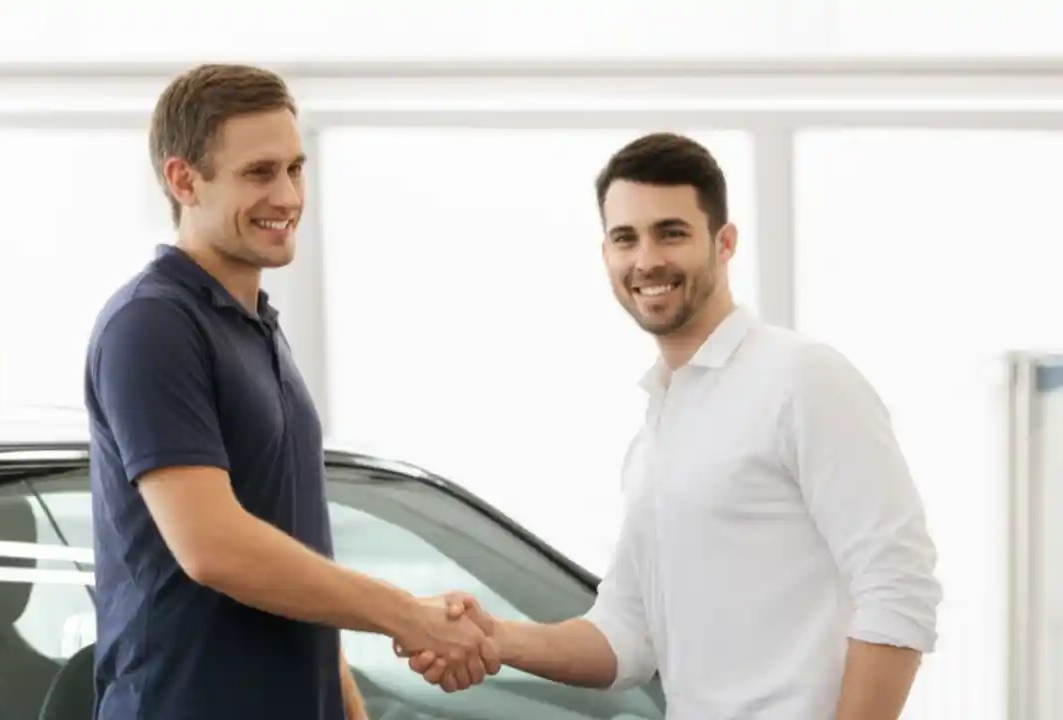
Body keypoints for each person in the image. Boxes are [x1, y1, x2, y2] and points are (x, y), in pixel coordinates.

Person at [405, 132, 943, 719]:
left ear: (725, 241)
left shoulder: (802, 377)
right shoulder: (658, 427)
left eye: (672, 233)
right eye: (625, 238)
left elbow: (898, 585)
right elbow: (627, 636)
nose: (647, 260)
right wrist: (494, 638)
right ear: (605, 253)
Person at [84, 63, 498, 720]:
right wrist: (406, 616)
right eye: (259, 173)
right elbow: (213, 546)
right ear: (183, 179)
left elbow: (294, 550)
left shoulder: (256, 328)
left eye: (295, 169)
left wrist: (347, 707)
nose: (288, 196)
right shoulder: (153, 325)